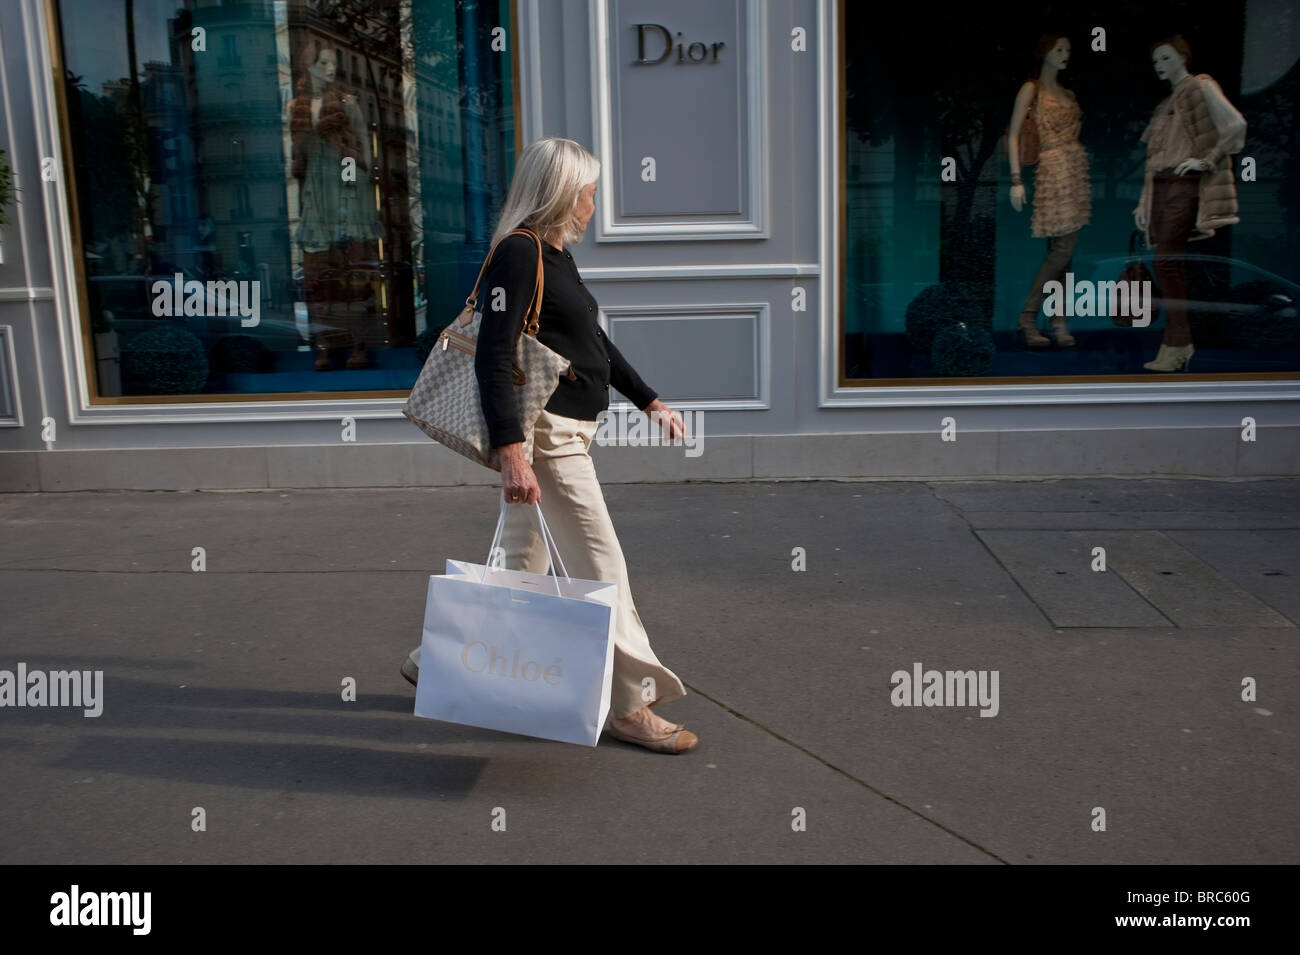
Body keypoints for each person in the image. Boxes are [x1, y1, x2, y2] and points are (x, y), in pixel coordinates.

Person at [402, 137, 698, 754]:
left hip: (567, 433)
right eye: (589, 190)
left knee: (520, 564)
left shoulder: (555, 256)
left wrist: (649, 400)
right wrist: (512, 451)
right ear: (564, 194)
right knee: (602, 567)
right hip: (547, 439)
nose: (594, 202)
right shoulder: (519, 252)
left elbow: (593, 342)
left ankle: (434, 659)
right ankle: (629, 705)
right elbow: (493, 352)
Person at [1133, 35, 1246, 373]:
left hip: (1183, 185)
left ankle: (1178, 343)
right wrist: (1142, 202)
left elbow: (1235, 125)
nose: (1160, 65)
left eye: (1166, 58)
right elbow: (1152, 161)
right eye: (1156, 61)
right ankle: (1177, 343)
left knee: (1166, 261)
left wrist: (1206, 159)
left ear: (1182, 57)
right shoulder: (1163, 106)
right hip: (1162, 187)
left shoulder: (1200, 86)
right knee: (1168, 263)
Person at [1008, 33, 1091, 348]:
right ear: (1044, 53)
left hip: (1075, 172)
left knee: (1065, 254)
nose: (1065, 54)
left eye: (1068, 49)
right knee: (1062, 251)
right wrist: (1016, 180)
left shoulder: (1068, 93)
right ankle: (1029, 317)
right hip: (1052, 172)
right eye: (1059, 49)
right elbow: (1013, 134)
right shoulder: (1032, 90)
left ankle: (1058, 321)